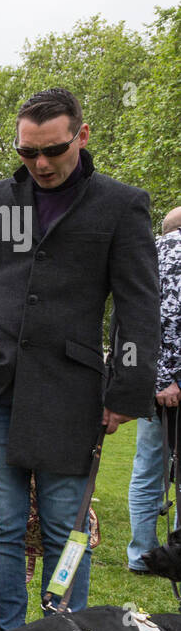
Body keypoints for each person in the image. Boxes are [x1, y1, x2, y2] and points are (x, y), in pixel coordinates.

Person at [0, 87, 160, 631]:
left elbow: (139, 306)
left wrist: (126, 392)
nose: (40, 163)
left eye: (52, 151)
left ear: (81, 137)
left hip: (73, 392)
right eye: (27, 153)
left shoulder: (122, 204)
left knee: (67, 528)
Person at [127, 205, 181, 572]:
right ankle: (174, 555)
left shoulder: (147, 254)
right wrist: (171, 378)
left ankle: (143, 555)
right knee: (155, 469)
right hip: (172, 381)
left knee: (148, 467)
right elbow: (171, 318)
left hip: (152, 381)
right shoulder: (174, 255)